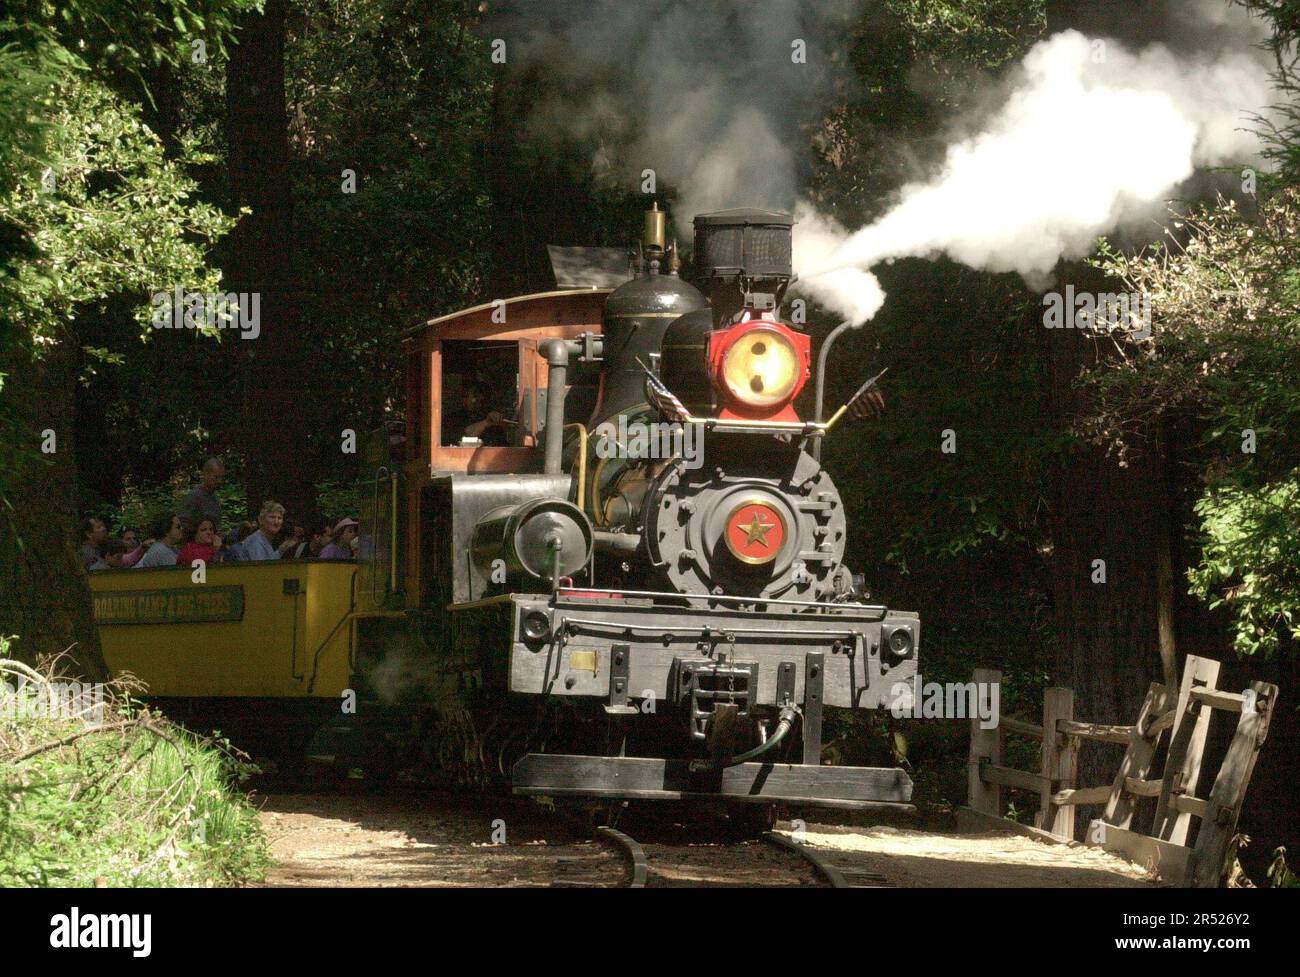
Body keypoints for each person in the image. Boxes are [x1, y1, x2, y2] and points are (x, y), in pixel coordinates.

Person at [180, 458, 225, 532]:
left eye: (221, 477)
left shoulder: (215, 499)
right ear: (206, 475)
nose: (219, 481)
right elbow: (183, 523)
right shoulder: (194, 497)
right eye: (216, 477)